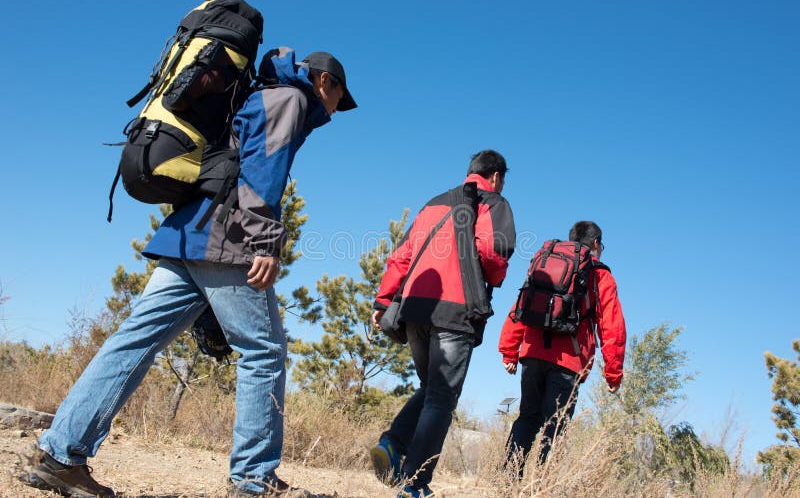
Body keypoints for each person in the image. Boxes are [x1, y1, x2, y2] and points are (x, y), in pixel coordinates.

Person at [26, 48, 357, 498]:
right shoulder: (290, 99)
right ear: (325, 82)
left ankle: (60, 455)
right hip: (227, 236)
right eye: (341, 97)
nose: (338, 109)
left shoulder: (258, 93)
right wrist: (264, 240)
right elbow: (263, 168)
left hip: (188, 232)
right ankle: (254, 479)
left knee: (134, 341)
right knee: (263, 353)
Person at [369, 150, 516, 498]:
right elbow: (494, 254)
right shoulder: (494, 201)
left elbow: (402, 255)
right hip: (455, 310)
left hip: (414, 312)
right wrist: (492, 278)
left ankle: (392, 444)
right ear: (495, 176)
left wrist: (383, 300)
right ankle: (414, 483)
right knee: (441, 397)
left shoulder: (434, 203)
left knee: (431, 387)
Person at [498, 220, 626, 476]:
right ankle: (543, 488)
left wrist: (509, 350)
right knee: (554, 426)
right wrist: (613, 373)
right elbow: (612, 327)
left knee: (527, 418)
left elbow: (520, 306)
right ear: (597, 244)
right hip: (569, 361)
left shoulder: (546, 263)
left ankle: (506, 483)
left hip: (532, 353)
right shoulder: (599, 275)